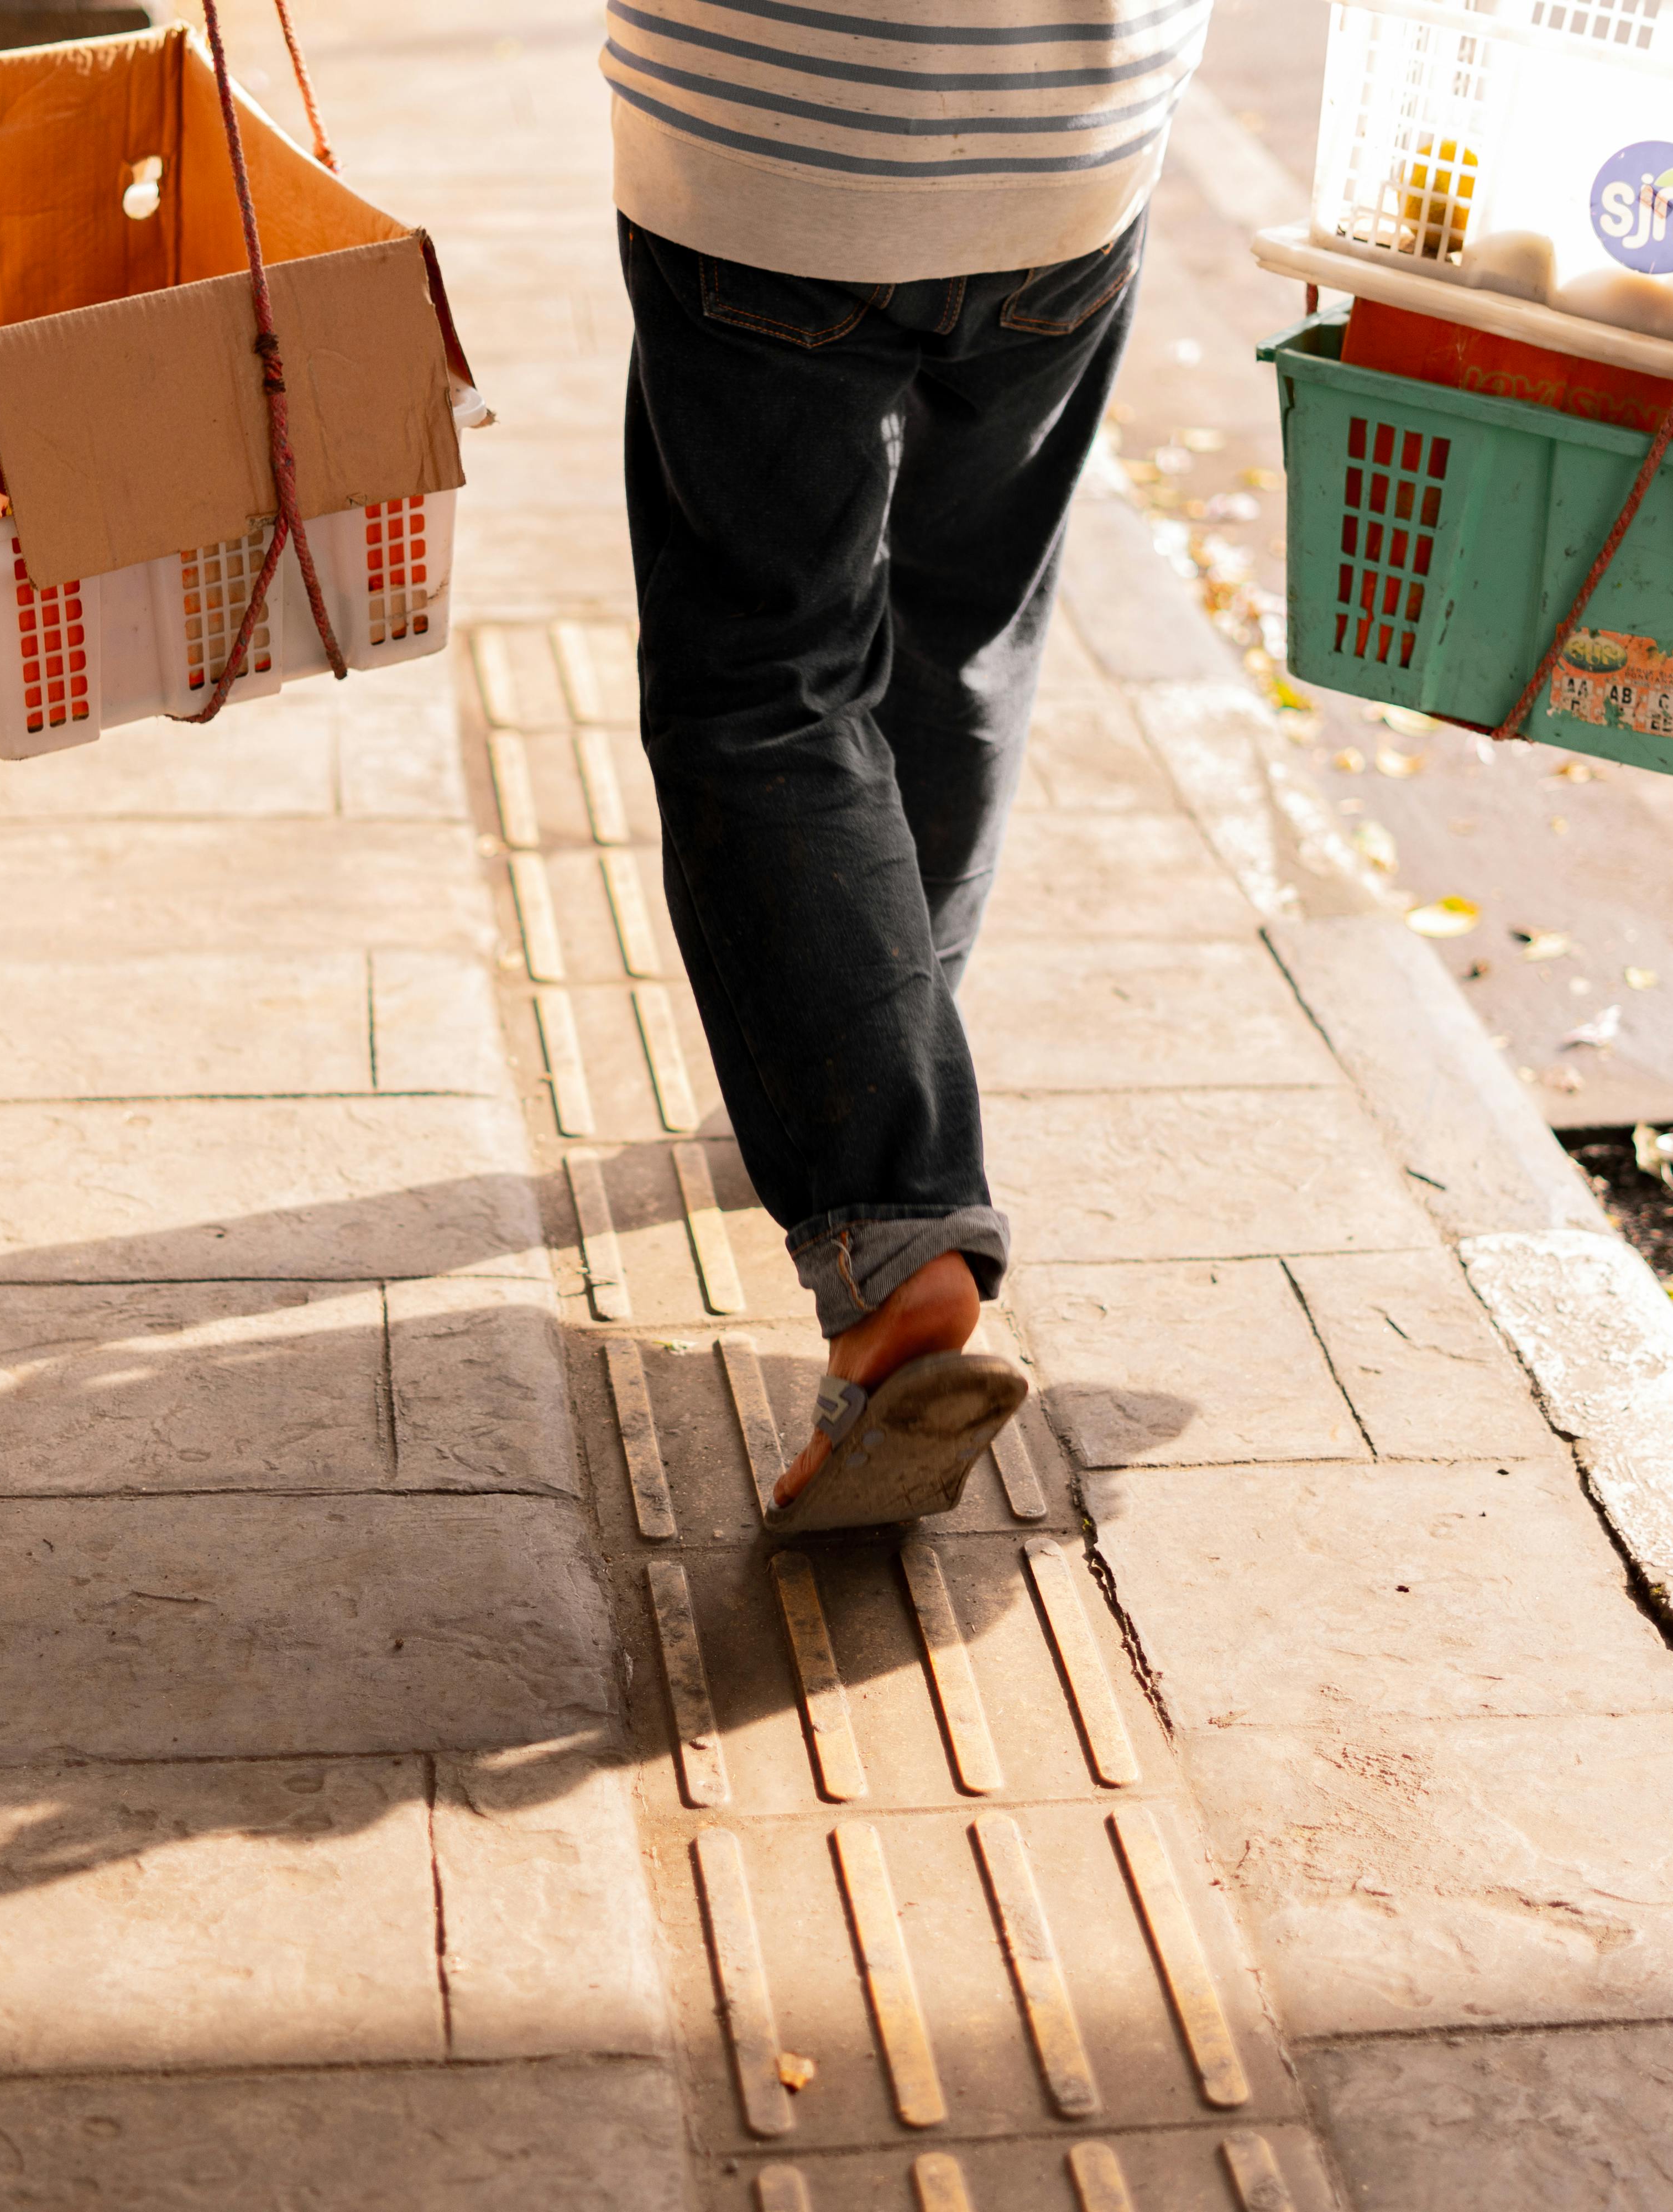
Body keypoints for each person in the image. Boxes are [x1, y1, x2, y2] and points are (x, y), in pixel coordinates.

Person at [604, 0, 1209, 1528]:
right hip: (1075, 150)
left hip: (782, 153)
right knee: (959, 627)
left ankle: (893, 1229)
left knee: (762, 680)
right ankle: (879, 1056)